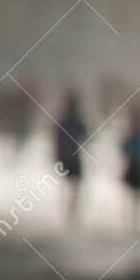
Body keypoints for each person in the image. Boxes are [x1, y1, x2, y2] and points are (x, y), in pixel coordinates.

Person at [55, 90, 88, 225]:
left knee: (74, 187)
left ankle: (71, 211)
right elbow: (58, 139)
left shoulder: (74, 121)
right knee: (70, 186)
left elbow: (84, 135)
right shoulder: (65, 121)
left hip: (73, 157)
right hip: (69, 157)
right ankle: (69, 211)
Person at [120, 102, 140, 235]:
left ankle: (133, 220)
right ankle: (132, 220)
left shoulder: (138, 135)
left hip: (135, 167)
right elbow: (127, 150)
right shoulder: (135, 135)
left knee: (135, 196)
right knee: (134, 195)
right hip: (134, 167)